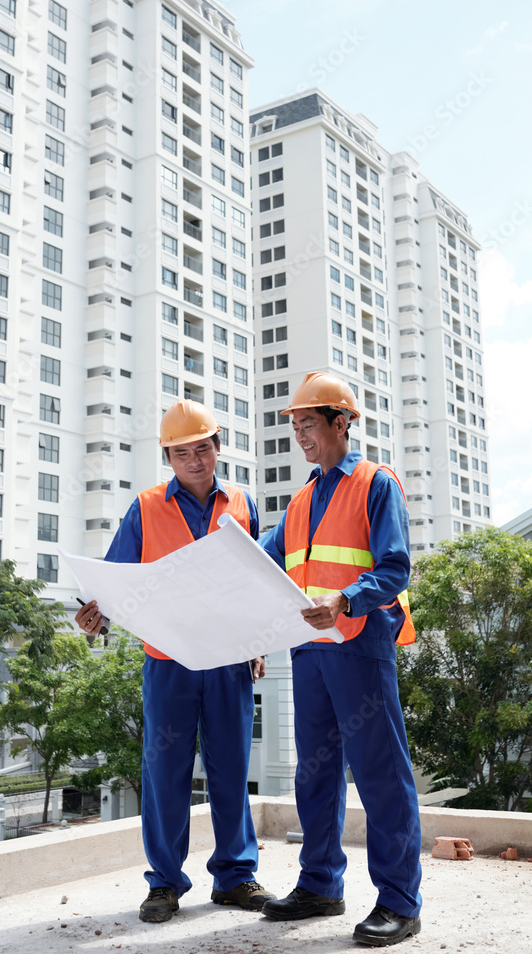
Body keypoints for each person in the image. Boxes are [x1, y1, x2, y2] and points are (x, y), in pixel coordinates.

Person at [77, 400, 275, 923]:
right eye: (181, 452)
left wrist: (258, 643)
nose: (194, 460)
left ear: (217, 448)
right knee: (165, 770)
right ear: (168, 456)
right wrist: (97, 616)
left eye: (202, 449)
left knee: (230, 767)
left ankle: (235, 876)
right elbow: (116, 582)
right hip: (167, 660)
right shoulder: (144, 508)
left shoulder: (242, 504)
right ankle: (164, 883)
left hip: (229, 657)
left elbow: (256, 583)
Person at [258, 372, 422, 947]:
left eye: (309, 423)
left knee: (380, 775)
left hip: (360, 644)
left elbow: (396, 567)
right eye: (295, 426)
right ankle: (321, 885)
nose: (301, 435)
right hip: (310, 652)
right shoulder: (301, 499)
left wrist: (346, 598)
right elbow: (263, 563)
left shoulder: (376, 484)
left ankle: (400, 902)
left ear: (341, 422)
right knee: (316, 773)